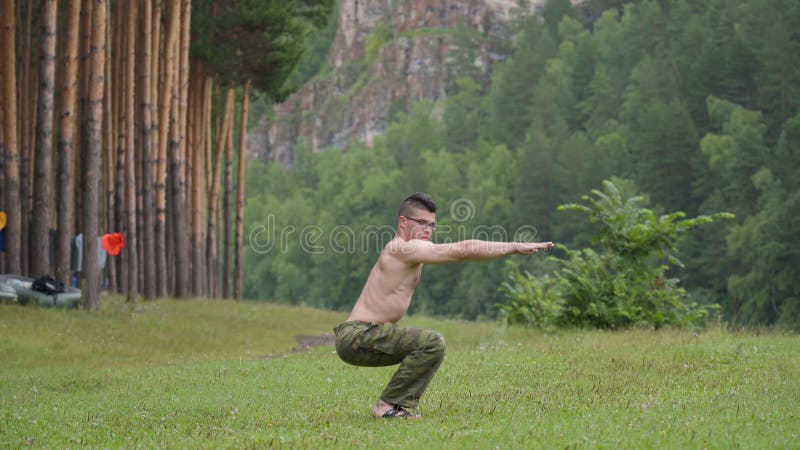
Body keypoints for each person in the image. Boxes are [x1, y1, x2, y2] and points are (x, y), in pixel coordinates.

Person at [334, 192, 554, 419]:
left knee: (430, 345)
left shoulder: (411, 250)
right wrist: (515, 246)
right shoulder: (401, 248)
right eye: (421, 223)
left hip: (362, 335)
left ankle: (393, 406)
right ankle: (386, 406)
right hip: (358, 336)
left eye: (431, 225)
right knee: (431, 342)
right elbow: (463, 250)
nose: (427, 230)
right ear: (402, 222)